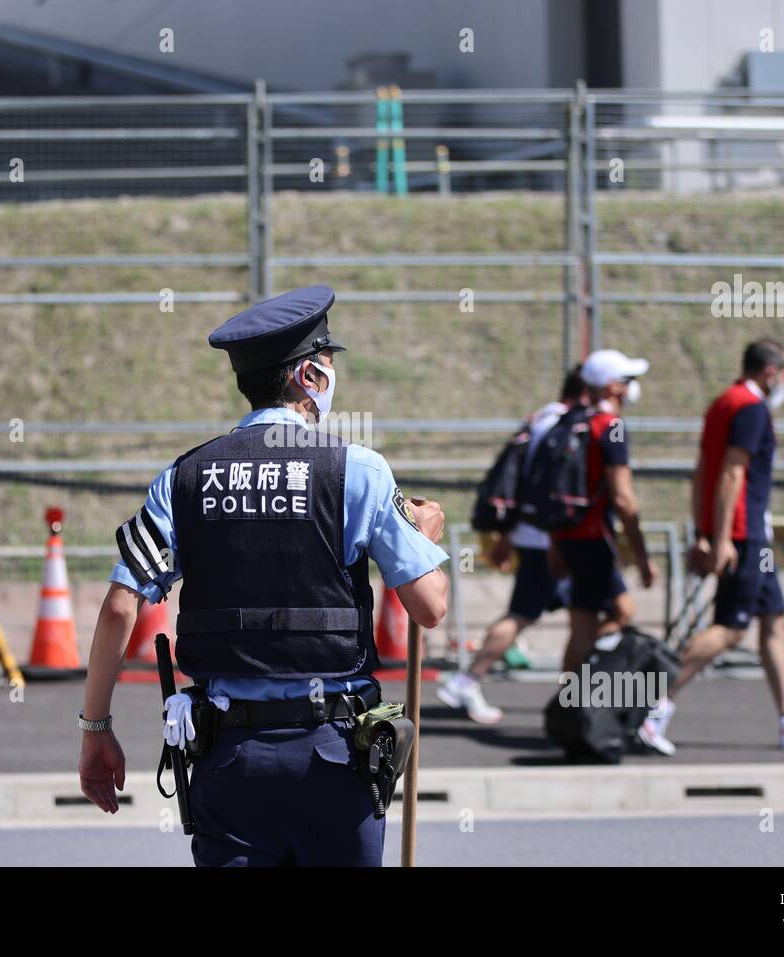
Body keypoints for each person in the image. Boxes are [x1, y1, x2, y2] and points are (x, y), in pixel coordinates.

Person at [77, 285, 451, 867]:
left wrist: (96, 727)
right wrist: (423, 536)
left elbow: (121, 605)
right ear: (309, 378)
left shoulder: (184, 477)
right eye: (327, 363)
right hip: (333, 757)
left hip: (229, 759)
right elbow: (429, 607)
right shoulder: (358, 471)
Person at [637, 339, 784, 756]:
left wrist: (702, 531)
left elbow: (701, 473)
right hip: (742, 534)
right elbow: (730, 474)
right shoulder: (750, 408)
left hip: (745, 533)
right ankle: (650, 707)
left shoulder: (723, 403)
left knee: (774, 619)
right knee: (731, 629)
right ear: (770, 372)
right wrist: (718, 540)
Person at [436, 367, 588, 724]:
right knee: (536, 615)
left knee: (573, 616)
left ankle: (576, 700)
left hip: (535, 535)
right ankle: (469, 680)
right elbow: (547, 487)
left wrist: (507, 532)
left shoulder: (541, 420)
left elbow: (519, 482)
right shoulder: (565, 426)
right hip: (551, 539)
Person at [551, 349, 656, 676]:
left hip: (569, 534)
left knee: (605, 614)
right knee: (588, 622)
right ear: (611, 386)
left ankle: (571, 702)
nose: (632, 387)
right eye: (627, 380)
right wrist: (641, 555)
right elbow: (623, 498)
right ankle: (571, 706)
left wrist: (554, 543)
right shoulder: (610, 427)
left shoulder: (574, 420)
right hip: (593, 539)